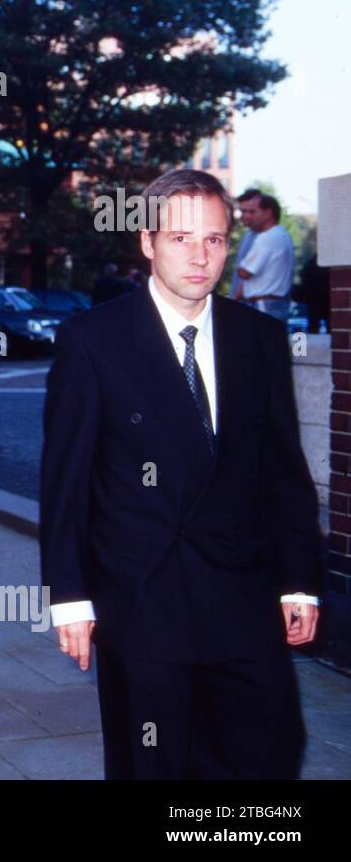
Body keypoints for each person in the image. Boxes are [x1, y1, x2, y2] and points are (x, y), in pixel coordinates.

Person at [40, 168, 322, 779]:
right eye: (181, 239)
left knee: (269, 752)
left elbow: (283, 472)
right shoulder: (93, 339)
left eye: (215, 240)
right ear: (147, 241)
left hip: (242, 594)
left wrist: (298, 581)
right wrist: (69, 597)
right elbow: (66, 482)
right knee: (155, 765)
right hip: (141, 597)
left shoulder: (261, 338)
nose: (199, 256)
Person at [234, 189, 294, 323]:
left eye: (253, 212)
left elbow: (244, 272)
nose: (248, 217)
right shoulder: (282, 234)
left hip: (263, 305)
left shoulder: (267, 237)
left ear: (268, 213)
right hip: (275, 304)